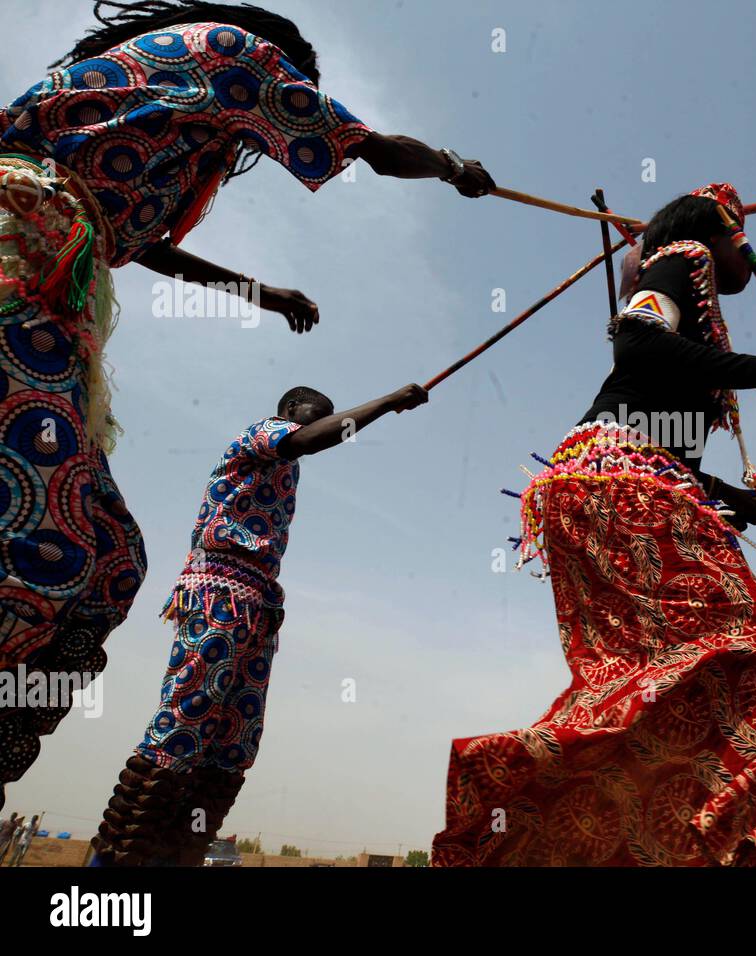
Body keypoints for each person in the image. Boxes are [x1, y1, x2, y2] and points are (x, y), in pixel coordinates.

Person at [0, 1, 495, 807]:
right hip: (18, 248)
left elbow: (151, 248)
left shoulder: (145, 122)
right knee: (46, 540)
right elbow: (365, 146)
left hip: (49, 272)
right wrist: (449, 165)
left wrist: (264, 294)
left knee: (108, 561)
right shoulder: (241, 54)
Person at [430, 184, 756, 867]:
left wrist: (725, 494)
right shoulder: (683, 258)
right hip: (620, 490)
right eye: (738, 240)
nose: (746, 258)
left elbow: (654, 423)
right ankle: (665, 833)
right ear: (713, 232)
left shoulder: (691, 294)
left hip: (609, 486)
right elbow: (639, 344)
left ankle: (558, 834)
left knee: (653, 686)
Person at [89, 381, 429, 866]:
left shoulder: (286, 468)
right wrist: (388, 403)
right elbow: (310, 438)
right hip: (220, 592)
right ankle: (116, 863)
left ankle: (176, 854)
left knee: (235, 740)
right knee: (188, 715)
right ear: (289, 409)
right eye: (314, 413)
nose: (320, 422)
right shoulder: (263, 435)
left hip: (260, 603)